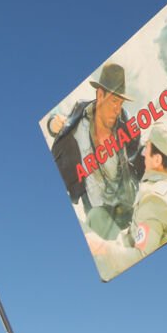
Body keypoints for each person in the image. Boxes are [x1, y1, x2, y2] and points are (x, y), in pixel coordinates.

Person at [85, 129, 167, 280]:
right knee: (96, 215)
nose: (143, 154)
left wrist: (103, 248)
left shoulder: (154, 202)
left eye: (147, 149)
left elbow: (140, 256)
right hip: (151, 240)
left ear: (157, 160)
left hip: (134, 262)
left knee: (92, 226)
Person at [46, 62, 144, 242]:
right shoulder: (79, 117)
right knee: (97, 219)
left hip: (126, 207)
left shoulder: (127, 125)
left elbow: (142, 157)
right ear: (100, 95)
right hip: (98, 212)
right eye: (114, 101)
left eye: (120, 103)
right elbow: (57, 123)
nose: (117, 109)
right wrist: (53, 124)